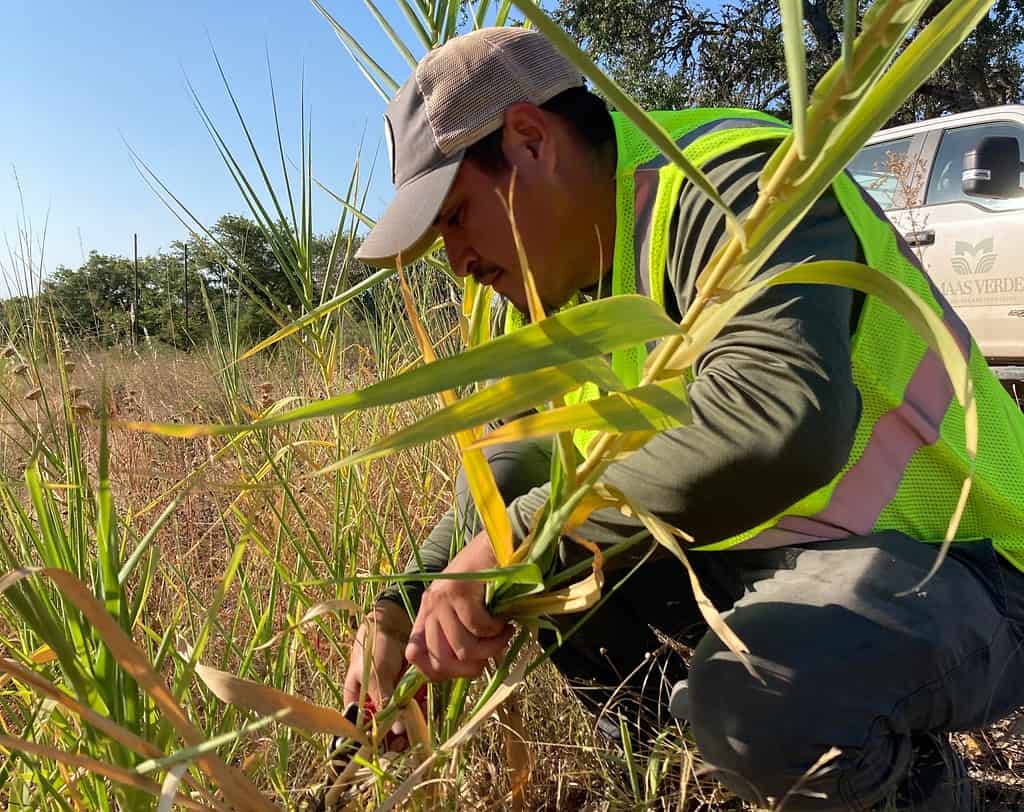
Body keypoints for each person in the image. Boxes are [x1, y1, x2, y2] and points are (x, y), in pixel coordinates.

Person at [345, 26, 1024, 811]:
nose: (456, 260)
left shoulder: (728, 180)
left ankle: (911, 785)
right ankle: (710, 776)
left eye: (457, 216)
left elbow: (782, 416)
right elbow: (509, 474)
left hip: (969, 560)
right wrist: (401, 609)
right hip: (795, 563)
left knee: (752, 695)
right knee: (569, 587)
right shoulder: (545, 285)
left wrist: (529, 541)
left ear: (530, 140)